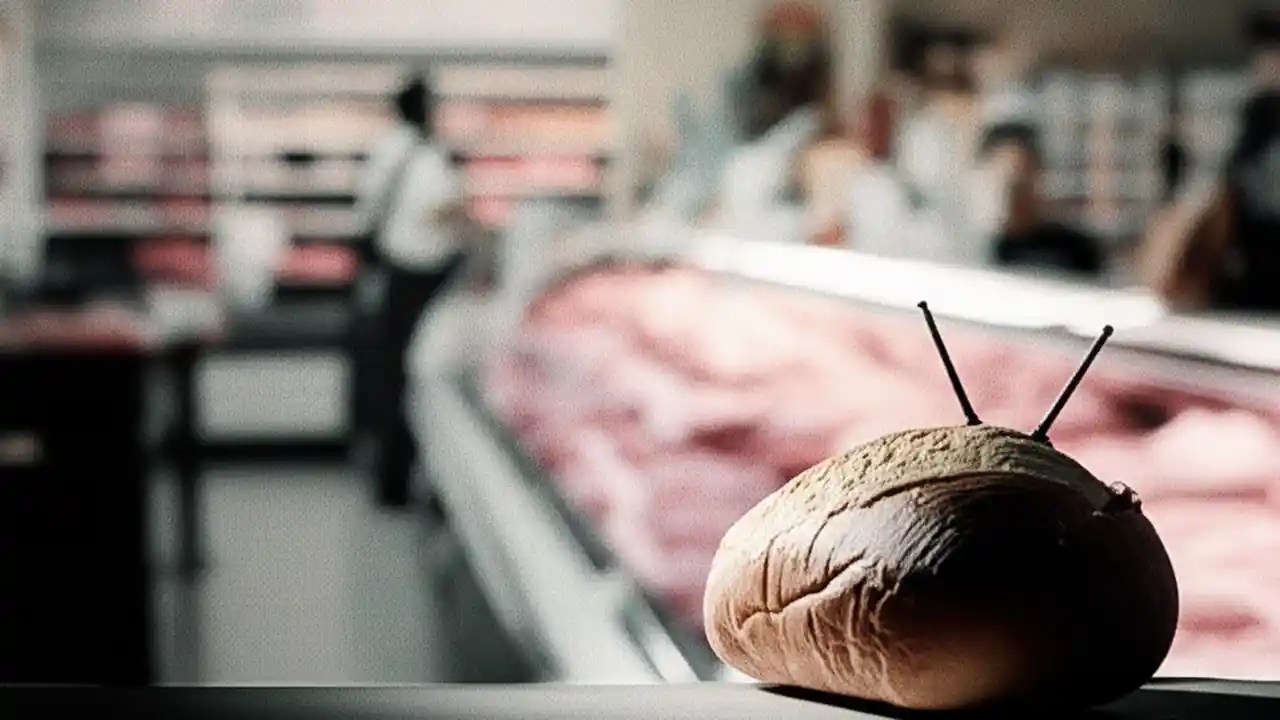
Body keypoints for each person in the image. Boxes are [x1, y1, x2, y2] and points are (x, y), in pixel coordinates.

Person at [357, 74, 469, 507]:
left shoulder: (384, 149)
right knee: (414, 378)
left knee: (389, 377)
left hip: (391, 275)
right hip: (421, 282)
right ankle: (402, 481)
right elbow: (445, 211)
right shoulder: (426, 155)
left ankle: (389, 481)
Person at [978, 123, 1105, 277]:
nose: (1010, 191)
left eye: (1020, 179)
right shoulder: (971, 249)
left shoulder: (1074, 249)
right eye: (1003, 179)